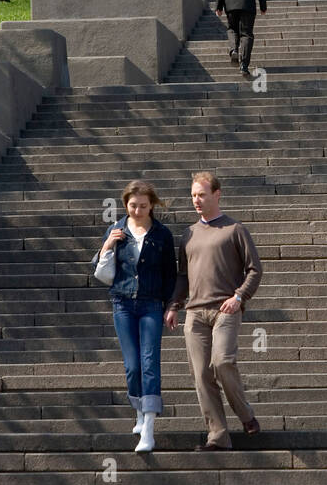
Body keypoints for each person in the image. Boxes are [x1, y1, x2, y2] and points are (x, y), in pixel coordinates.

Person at [166, 173, 262, 451]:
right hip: (194, 314)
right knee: (201, 376)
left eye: (202, 195)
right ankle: (218, 436)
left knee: (221, 362)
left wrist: (239, 296)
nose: (197, 200)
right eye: (193, 195)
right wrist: (174, 305)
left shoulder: (234, 229)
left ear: (217, 194)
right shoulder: (189, 234)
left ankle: (245, 415)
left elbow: (254, 269)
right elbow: (182, 276)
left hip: (225, 309)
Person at [91, 181, 177, 454]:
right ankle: (139, 413)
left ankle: (149, 428)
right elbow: (99, 267)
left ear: (152, 204)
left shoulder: (162, 234)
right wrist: (107, 243)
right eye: (132, 205)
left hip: (152, 304)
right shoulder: (117, 230)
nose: (137, 210)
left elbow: (170, 274)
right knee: (131, 365)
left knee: (149, 361)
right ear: (125, 204)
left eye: (142, 205)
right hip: (123, 304)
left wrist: (172, 305)